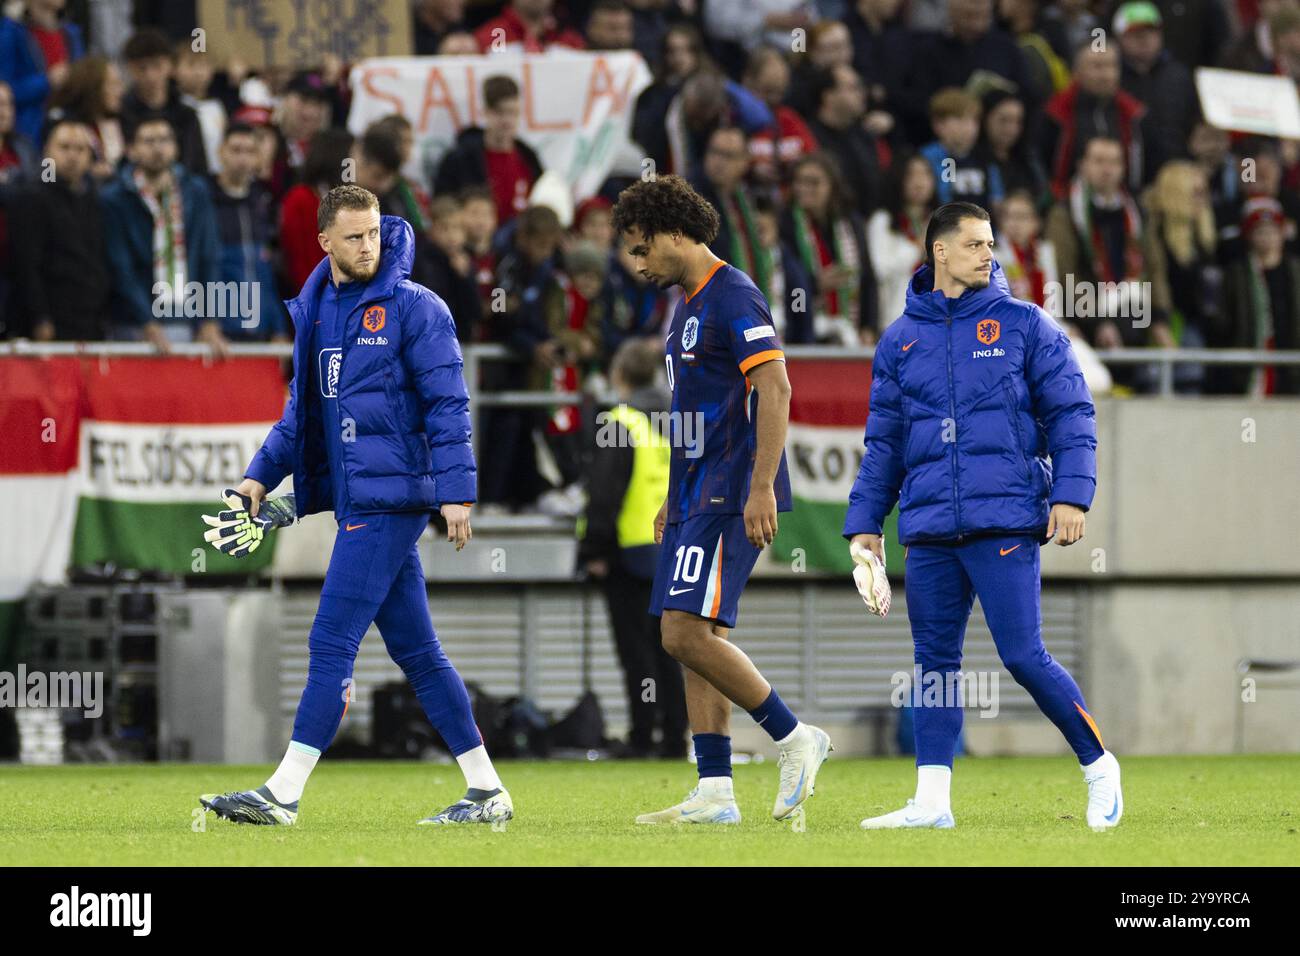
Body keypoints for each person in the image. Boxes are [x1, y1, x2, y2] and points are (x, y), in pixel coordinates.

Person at [198, 185, 512, 827]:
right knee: (420, 654)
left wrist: (456, 491)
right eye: (353, 237)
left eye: (373, 233)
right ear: (324, 243)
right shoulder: (319, 312)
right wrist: (258, 480)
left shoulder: (417, 307)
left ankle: (283, 793)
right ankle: (488, 791)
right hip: (360, 502)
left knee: (330, 638)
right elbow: (299, 419)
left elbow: (449, 405)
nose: (367, 245)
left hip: (390, 503)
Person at [843, 201, 1122, 831]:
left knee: (1023, 656)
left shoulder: (1027, 324)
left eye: (990, 243)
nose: (988, 254)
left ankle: (1100, 766)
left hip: (1005, 521)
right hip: (931, 528)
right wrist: (864, 523)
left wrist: (1072, 496)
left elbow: (1073, 415)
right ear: (939, 251)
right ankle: (932, 804)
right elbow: (884, 444)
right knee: (933, 666)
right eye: (974, 244)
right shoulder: (900, 340)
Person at [612, 174, 831, 826]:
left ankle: (794, 737)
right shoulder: (688, 306)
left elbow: (776, 388)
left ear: (676, 234)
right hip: (696, 493)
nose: (639, 262)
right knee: (697, 636)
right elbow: (695, 411)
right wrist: (672, 498)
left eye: (643, 247)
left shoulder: (736, 296)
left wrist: (760, 485)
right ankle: (715, 791)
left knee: (680, 631)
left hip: (733, 491)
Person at [579, 338, 688, 758]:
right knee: (674, 649)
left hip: (629, 554)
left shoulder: (621, 422)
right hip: (674, 550)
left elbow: (605, 493)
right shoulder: (678, 420)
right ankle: (676, 738)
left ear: (620, 375)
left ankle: (643, 736)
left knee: (636, 655)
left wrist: (594, 551)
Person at [99, 113, 224, 353]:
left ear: (175, 148)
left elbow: (209, 255)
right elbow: (119, 266)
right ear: (132, 150)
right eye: (148, 141)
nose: (158, 148)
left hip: (185, 317)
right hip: (131, 322)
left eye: (165, 140)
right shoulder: (114, 198)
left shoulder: (195, 191)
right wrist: (146, 321)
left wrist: (211, 319)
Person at [8, 114, 110, 340]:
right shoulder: (32, 196)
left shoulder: (94, 199)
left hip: (88, 318)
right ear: (47, 151)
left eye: (80, 149)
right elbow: (26, 265)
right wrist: (40, 317)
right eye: (64, 147)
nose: (72, 156)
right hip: (48, 319)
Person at [433, 75, 542, 226]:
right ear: (484, 111)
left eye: (513, 112)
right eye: (500, 112)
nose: (507, 120)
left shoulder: (529, 159)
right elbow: (442, 208)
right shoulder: (459, 160)